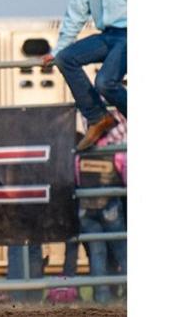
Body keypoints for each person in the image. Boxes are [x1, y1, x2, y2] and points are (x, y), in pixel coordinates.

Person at [42, 0, 127, 151]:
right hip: (108, 35)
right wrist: (58, 49)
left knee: (105, 82)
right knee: (65, 58)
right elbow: (76, 12)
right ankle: (98, 117)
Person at [76, 110, 127, 304]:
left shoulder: (79, 152)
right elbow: (125, 174)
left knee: (97, 253)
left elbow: (76, 178)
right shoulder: (113, 149)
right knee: (122, 250)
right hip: (109, 204)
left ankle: (102, 297)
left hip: (86, 207)